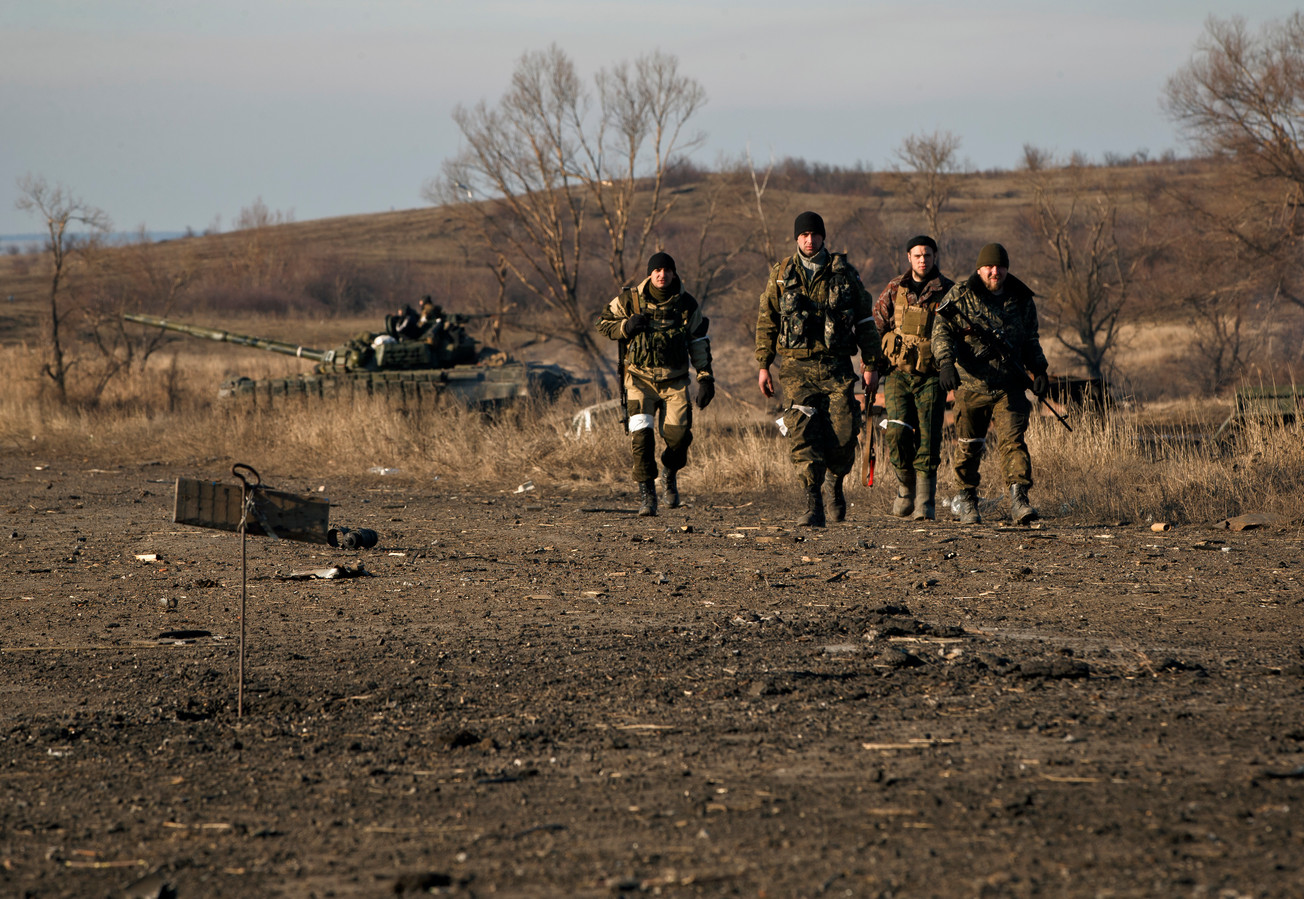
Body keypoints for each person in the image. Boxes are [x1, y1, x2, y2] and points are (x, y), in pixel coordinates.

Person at [756, 212, 884, 527]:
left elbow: (865, 321)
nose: (809, 240)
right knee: (801, 433)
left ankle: (834, 482)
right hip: (796, 368)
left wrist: (871, 363)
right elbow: (767, 320)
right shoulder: (782, 275)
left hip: (836, 368)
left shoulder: (845, 274)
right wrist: (763, 365)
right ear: (796, 238)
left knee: (842, 437)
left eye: (814, 235)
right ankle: (813, 504)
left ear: (823, 237)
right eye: (803, 235)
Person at [932, 243, 1049, 525]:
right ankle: (968, 500)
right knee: (969, 445)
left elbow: (1031, 339)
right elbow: (941, 331)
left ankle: (1019, 500)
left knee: (1013, 442)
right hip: (971, 386)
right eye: (989, 267)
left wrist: (1039, 370)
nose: (994, 272)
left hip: (1009, 386)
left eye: (1000, 267)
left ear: (1007, 268)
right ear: (979, 268)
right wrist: (946, 364)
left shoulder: (1021, 299)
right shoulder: (960, 295)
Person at [596, 252, 714, 516]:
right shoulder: (630, 300)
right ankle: (647, 494)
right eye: (657, 270)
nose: (662, 275)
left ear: (674, 273)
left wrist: (705, 376)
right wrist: (626, 326)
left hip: (674, 383)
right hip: (639, 381)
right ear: (650, 273)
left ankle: (669, 472)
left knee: (679, 438)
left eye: (667, 270)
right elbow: (602, 322)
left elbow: (697, 340)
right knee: (642, 439)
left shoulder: (686, 303)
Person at [873, 235, 955, 520]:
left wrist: (949, 366)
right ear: (909, 257)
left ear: (935, 257)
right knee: (895, 431)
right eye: (918, 255)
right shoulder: (895, 289)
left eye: (928, 255)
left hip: (932, 376)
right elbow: (876, 327)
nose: (923, 260)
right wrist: (870, 368)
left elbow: (962, 332)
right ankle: (905, 490)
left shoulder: (948, 291)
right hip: (897, 374)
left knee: (929, 438)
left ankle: (925, 503)